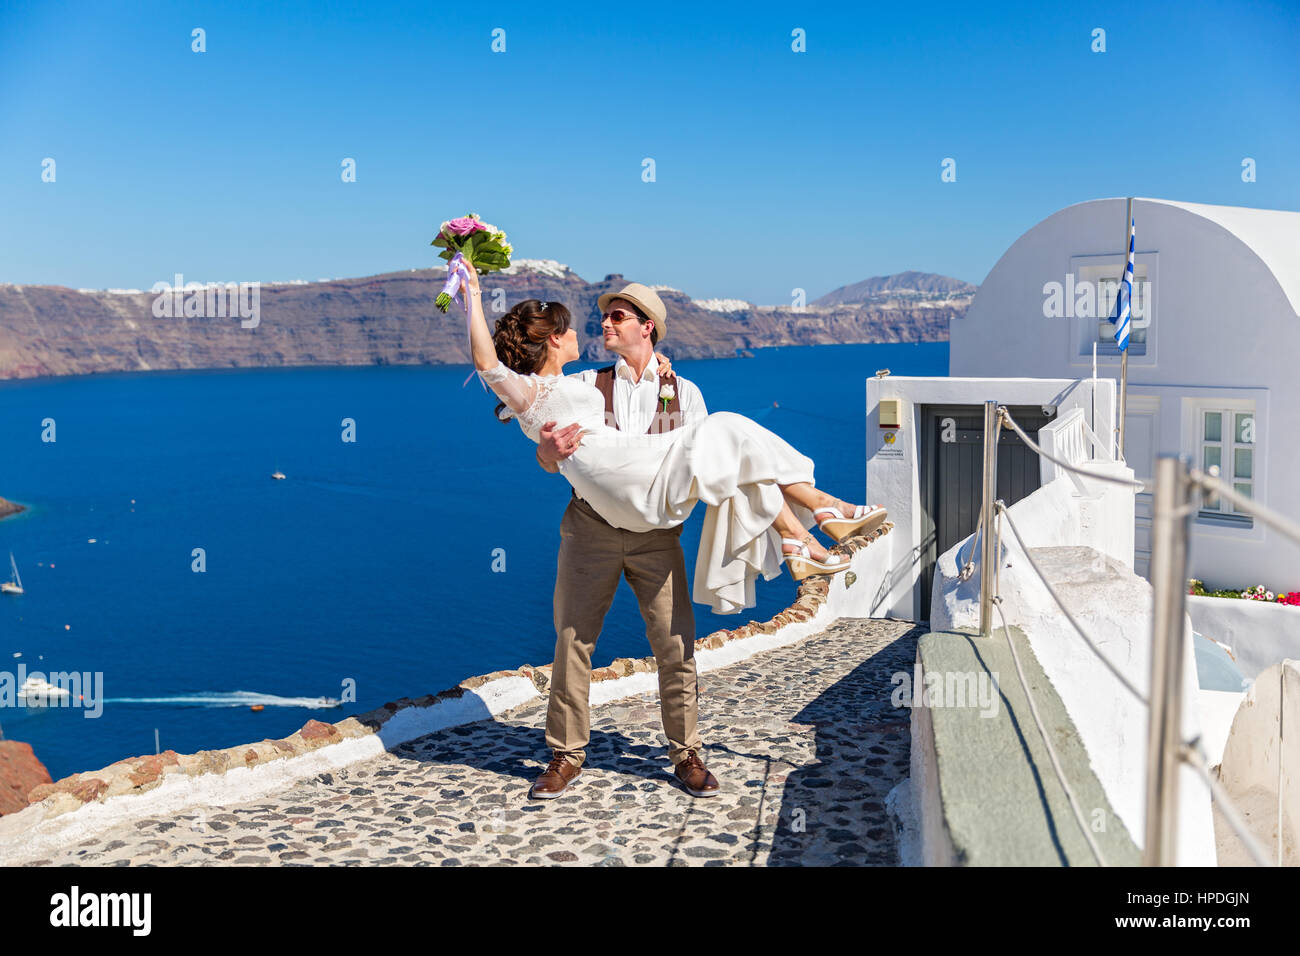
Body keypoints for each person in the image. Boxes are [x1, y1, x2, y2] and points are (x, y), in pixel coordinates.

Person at [462, 261, 887, 799]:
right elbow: (530, 419)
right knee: (572, 641)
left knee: (676, 643)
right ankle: (565, 755)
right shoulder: (584, 382)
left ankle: (686, 752)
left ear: (649, 328)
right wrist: (546, 451)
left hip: (655, 525)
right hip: (593, 526)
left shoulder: (683, 392)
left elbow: (707, 464)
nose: (602, 326)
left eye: (617, 316)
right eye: (601, 318)